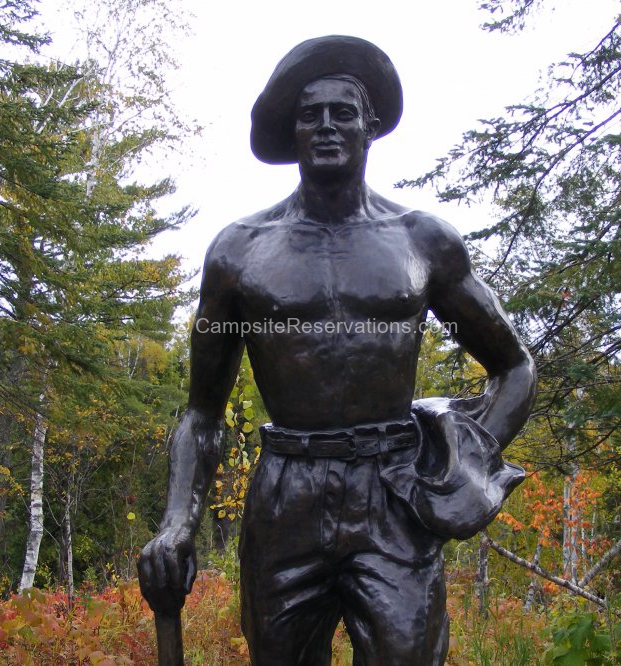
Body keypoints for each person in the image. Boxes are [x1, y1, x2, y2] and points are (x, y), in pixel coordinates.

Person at [139, 35, 535, 666]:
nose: (326, 126)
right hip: (284, 499)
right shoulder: (239, 252)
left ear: (370, 127)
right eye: (309, 114)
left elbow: (514, 367)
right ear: (292, 131)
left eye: (342, 112)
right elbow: (202, 416)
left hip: (393, 494)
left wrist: (459, 467)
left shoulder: (422, 242)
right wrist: (177, 522)